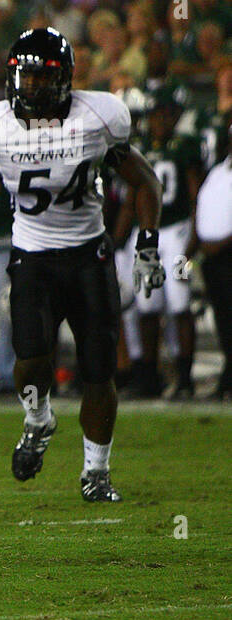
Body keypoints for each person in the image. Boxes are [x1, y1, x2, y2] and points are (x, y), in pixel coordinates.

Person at [0, 27, 164, 503]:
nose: (30, 87)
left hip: (88, 257)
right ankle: (38, 419)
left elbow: (146, 181)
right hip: (31, 258)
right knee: (31, 362)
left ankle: (96, 471)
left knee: (98, 370)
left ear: (65, 79)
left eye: (41, 77)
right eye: (23, 76)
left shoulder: (96, 118)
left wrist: (148, 245)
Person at [116, 86, 204, 399]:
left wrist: (194, 237)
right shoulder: (139, 148)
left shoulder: (185, 146)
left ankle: (184, 377)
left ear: (176, 116)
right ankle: (148, 376)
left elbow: (196, 197)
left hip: (178, 233)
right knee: (146, 306)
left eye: (165, 114)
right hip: (149, 235)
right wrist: (117, 239)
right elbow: (130, 198)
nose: (159, 121)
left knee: (180, 304)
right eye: (155, 115)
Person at [195, 149, 232, 400]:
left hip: (228, 253)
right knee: (223, 320)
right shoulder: (218, 172)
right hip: (212, 259)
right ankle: (228, 376)